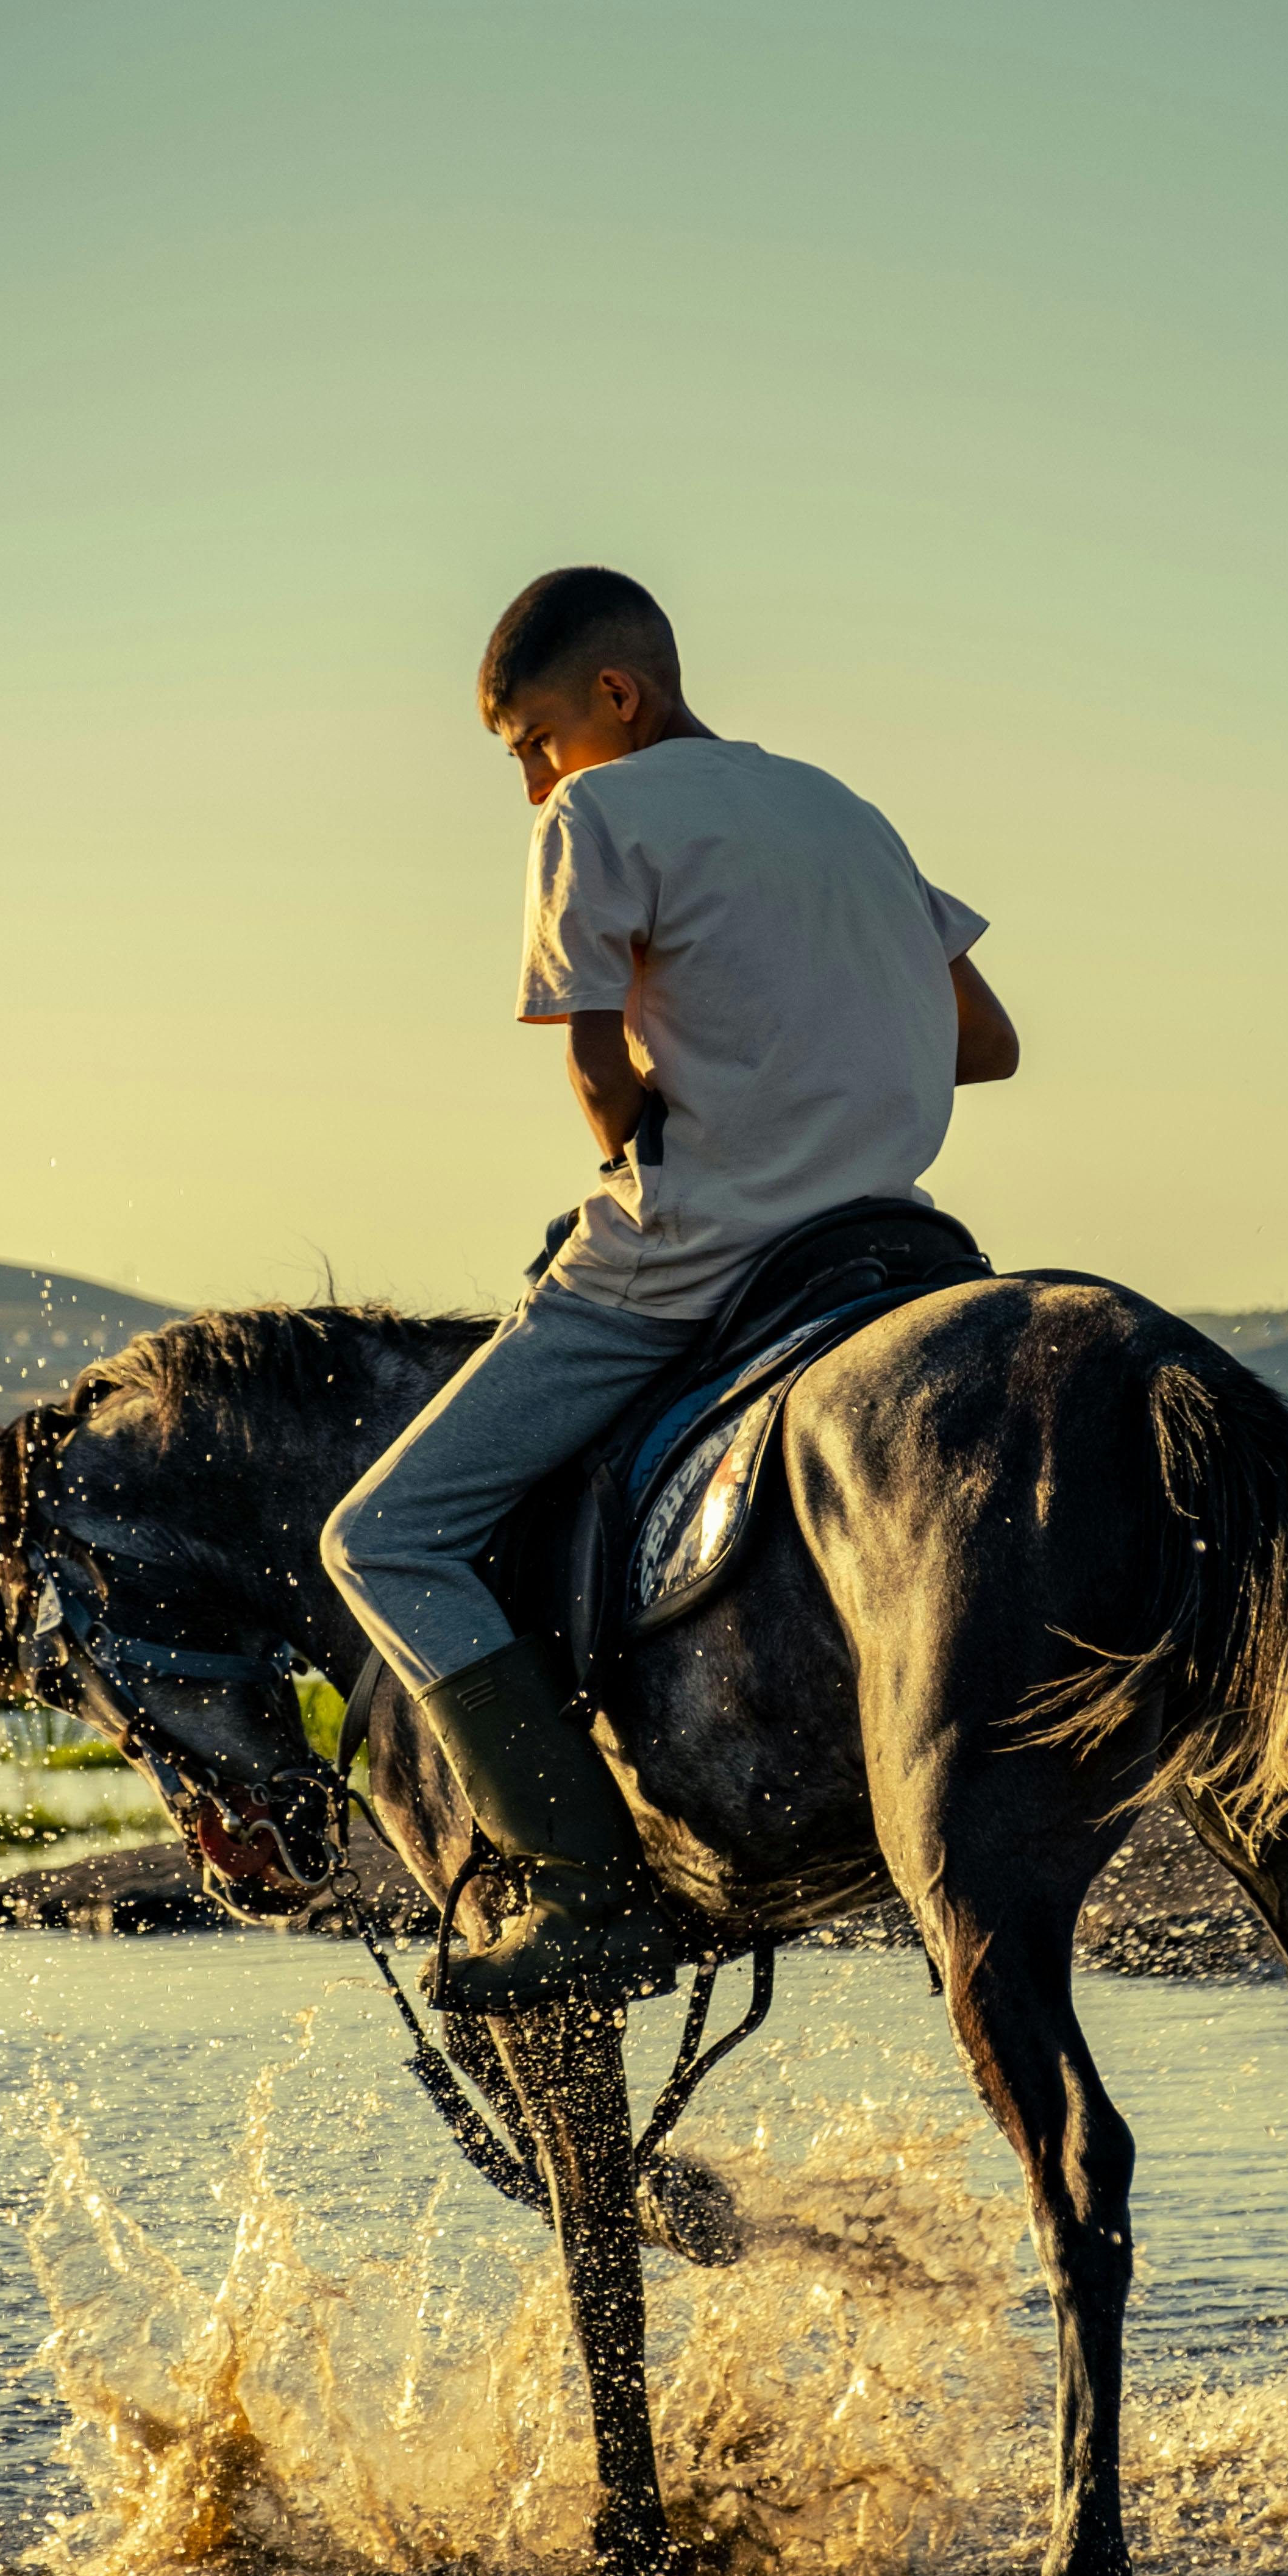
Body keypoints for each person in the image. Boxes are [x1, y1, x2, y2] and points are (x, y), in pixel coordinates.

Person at [320, 564, 1018, 2009]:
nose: (530, 784)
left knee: (381, 1535)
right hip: (894, 1234)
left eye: (529, 742)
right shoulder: (843, 808)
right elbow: (989, 1043)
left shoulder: (597, 814)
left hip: (696, 1253)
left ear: (613, 700)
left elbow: (588, 1064)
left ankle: (580, 1888)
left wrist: (663, 1128)